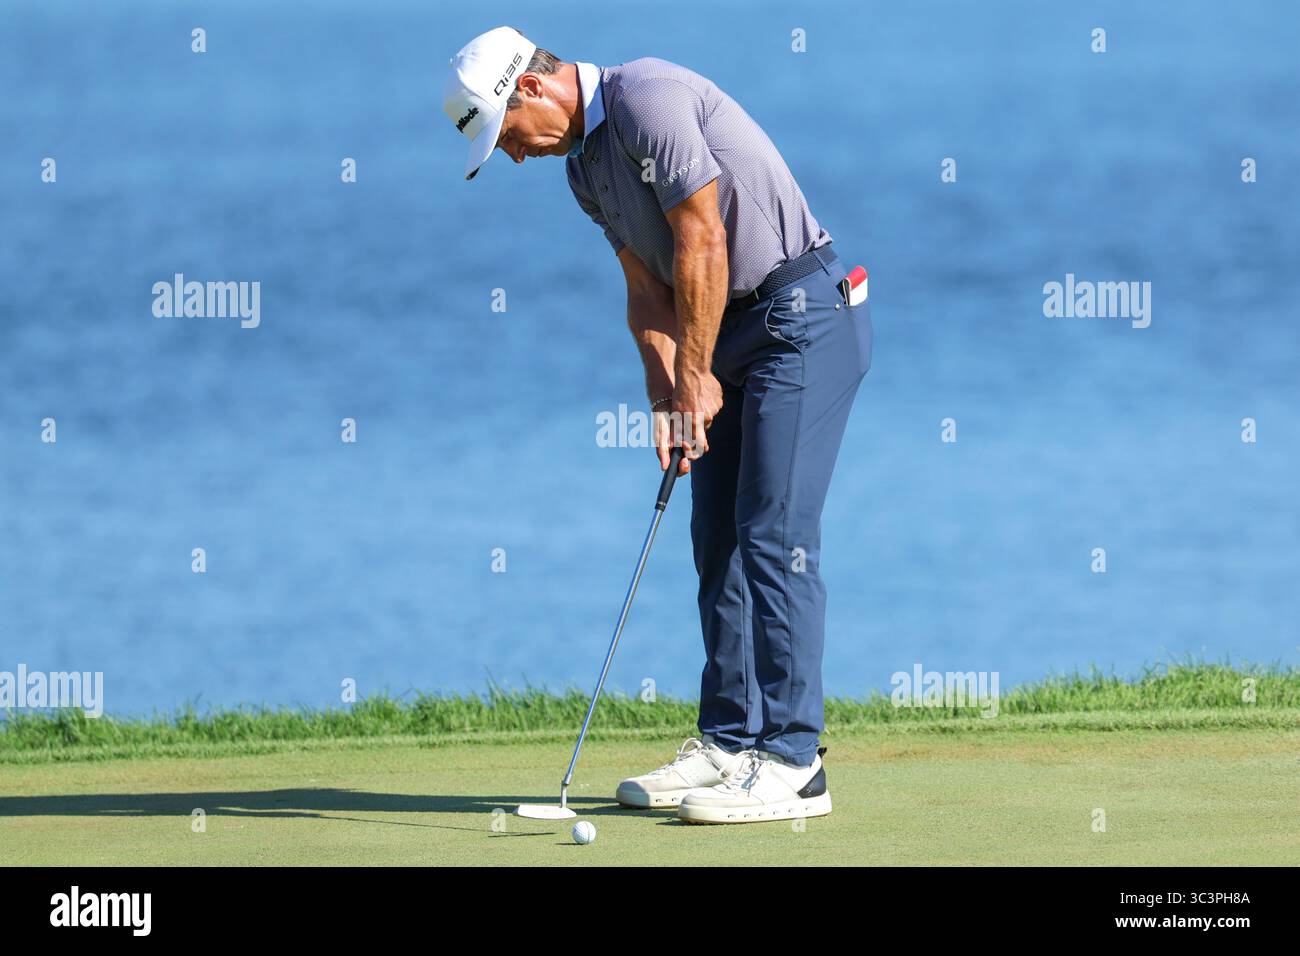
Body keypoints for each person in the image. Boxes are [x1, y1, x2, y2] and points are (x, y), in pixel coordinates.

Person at [443, 26, 871, 824]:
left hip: (800, 318)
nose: (510, 156)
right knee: (717, 533)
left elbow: (702, 239)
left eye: (504, 135)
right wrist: (668, 397)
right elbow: (647, 289)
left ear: (531, 89)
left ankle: (794, 762)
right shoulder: (583, 170)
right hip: (727, 334)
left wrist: (696, 376)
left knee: (774, 533)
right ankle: (730, 741)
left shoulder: (648, 97)